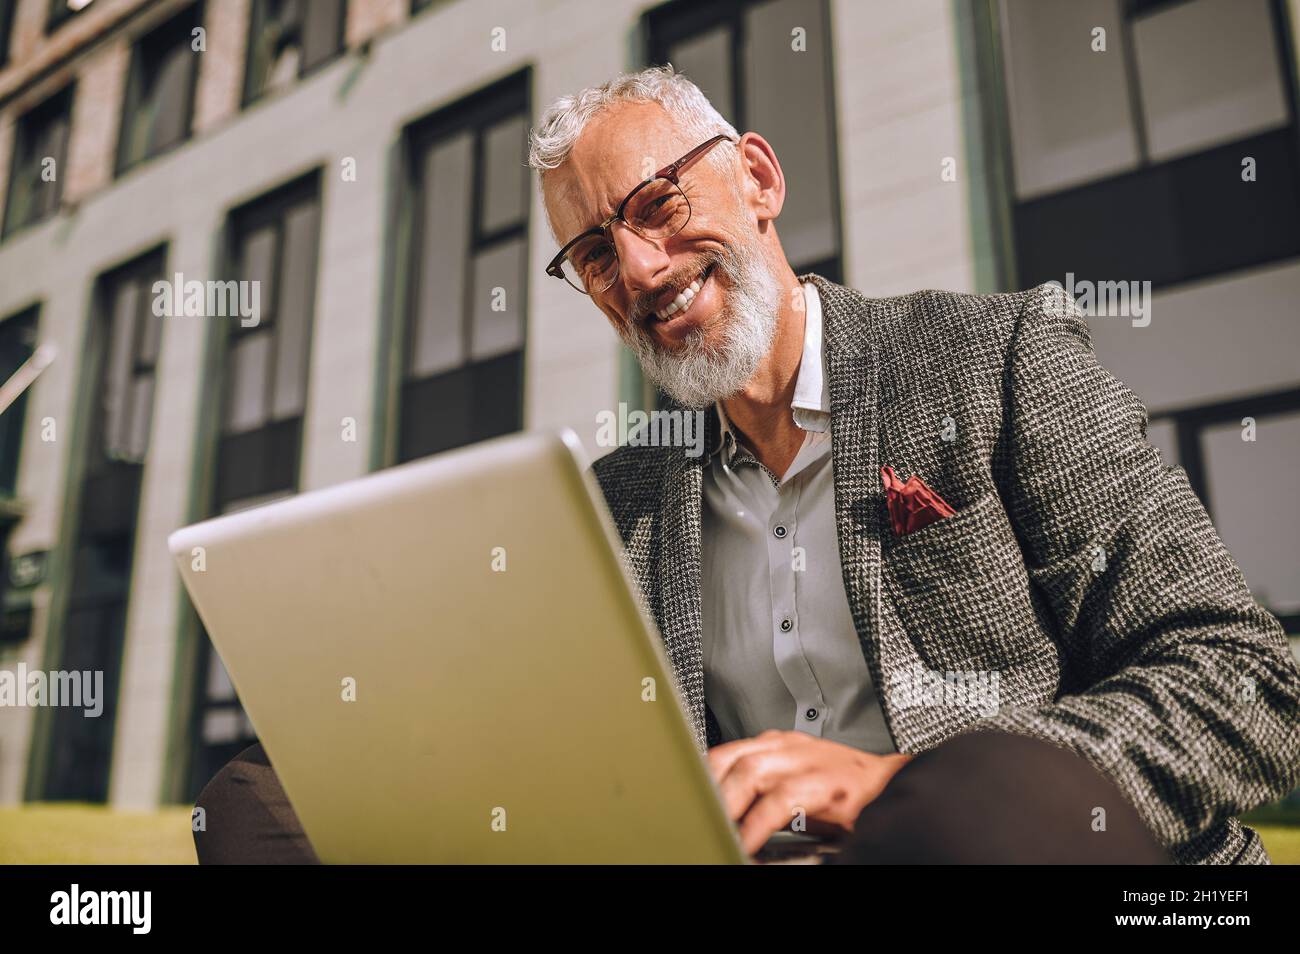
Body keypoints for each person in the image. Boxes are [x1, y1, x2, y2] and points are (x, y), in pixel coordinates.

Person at [194, 66, 1299, 865]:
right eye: (590, 253)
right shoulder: (616, 504)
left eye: (656, 205)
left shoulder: (994, 358)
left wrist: (895, 789)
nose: (635, 266)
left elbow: (1246, 680)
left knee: (979, 814)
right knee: (254, 799)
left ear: (758, 179)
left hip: (998, 848)